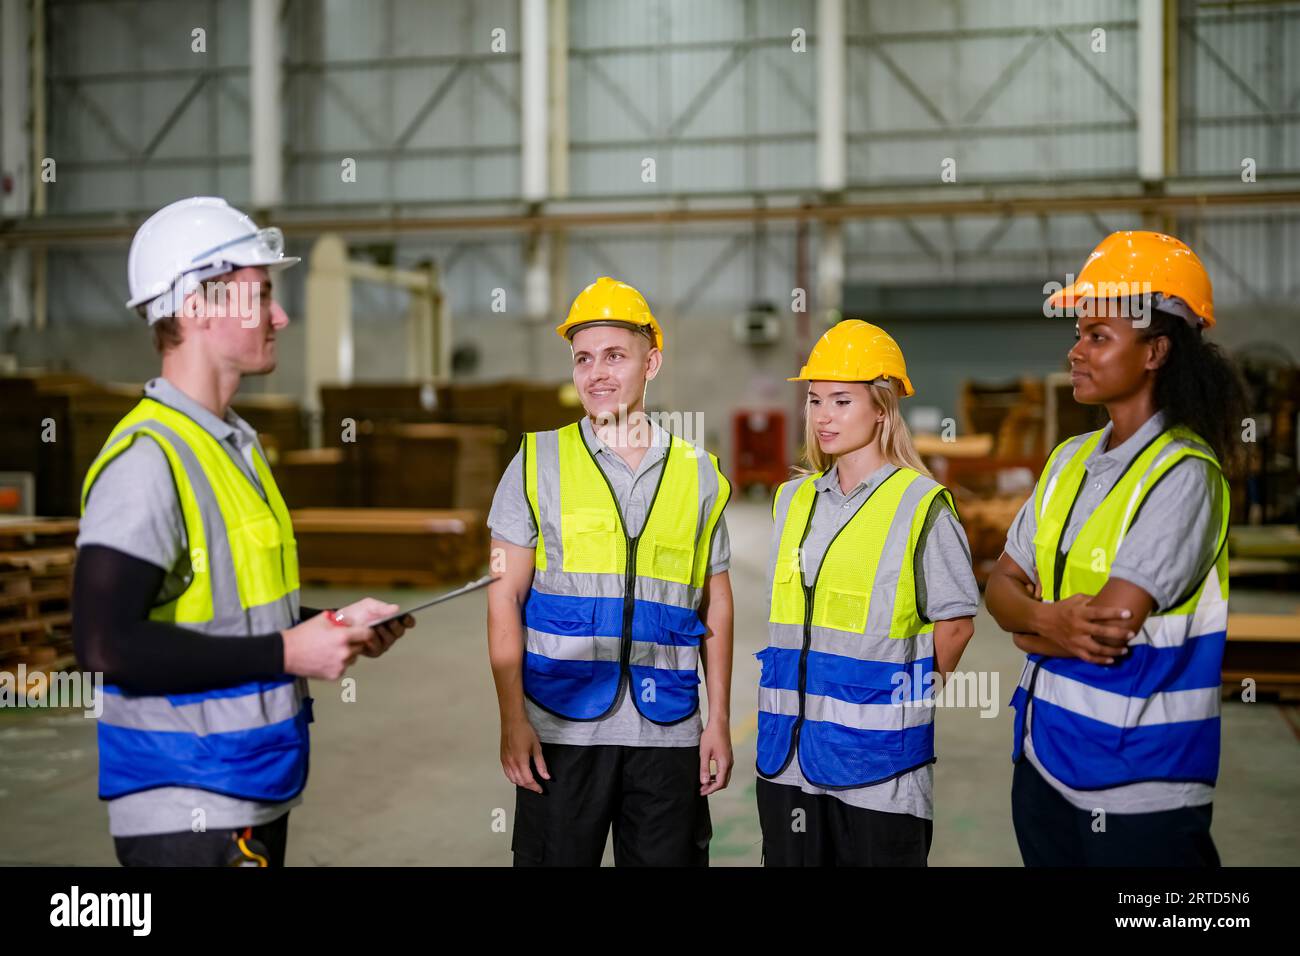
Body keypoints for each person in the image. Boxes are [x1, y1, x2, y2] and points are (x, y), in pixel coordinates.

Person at [73, 196, 413, 867]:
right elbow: (102, 642)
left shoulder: (234, 447)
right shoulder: (151, 458)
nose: (279, 316)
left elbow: (230, 611)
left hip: (249, 787)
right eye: (260, 295)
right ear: (195, 306)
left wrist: (331, 625)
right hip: (187, 804)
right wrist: (289, 652)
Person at [985, 230, 1245, 867]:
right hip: (1045, 763)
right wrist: (1048, 621)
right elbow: (997, 588)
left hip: (1142, 790)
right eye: (1079, 333)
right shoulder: (1068, 460)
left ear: (1155, 350)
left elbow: (1109, 630)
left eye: (1098, 336)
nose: (1075, 351)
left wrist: (1030, 622)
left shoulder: (1183, 475)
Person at [486, 276, 734, 866]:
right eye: (583, 359)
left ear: (652, 363)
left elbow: (715, 604)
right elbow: (503, 599)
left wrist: (717, 720)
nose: (596, 373)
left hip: (668, 728)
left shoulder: (699, 473)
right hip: (561, 728)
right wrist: (512, 717)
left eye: (614, 356)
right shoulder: (535, 461)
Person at [755, 319, 978, 866]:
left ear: (881, 408)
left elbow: (955, 622)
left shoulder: (921, 504)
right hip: (787, 755)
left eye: (841, 401)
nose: (823, 416)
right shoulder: (793, 500)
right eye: (814, 401)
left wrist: (896, 708)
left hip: (880, 768)